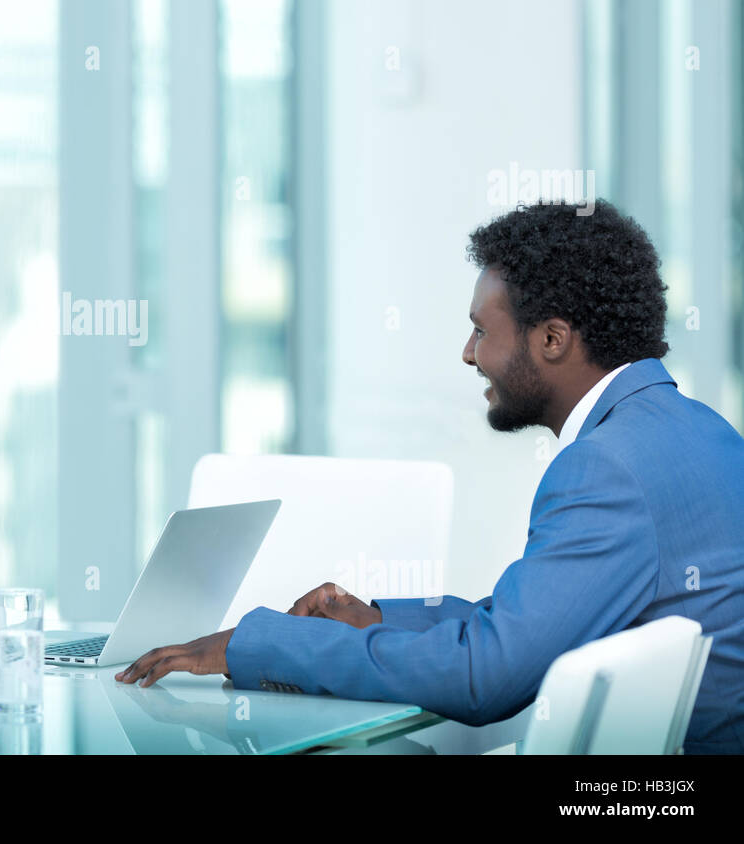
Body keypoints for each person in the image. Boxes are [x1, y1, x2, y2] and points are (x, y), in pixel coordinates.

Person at [117, 199, 744, 754]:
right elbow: (531, 619)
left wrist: (258, 644)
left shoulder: (605, 469)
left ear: (552, 338)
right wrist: (382, 622)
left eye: (480, 330)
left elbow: (485, 677)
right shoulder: (701, 431)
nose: (469, 354)